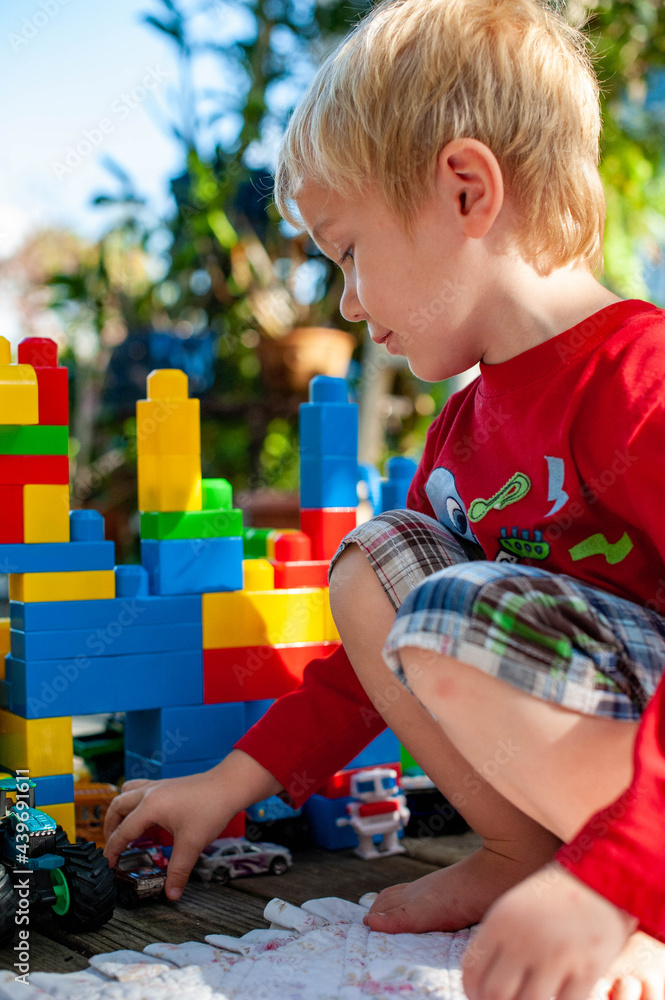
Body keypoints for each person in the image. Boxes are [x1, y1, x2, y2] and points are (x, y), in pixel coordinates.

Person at [105, 0, 665, 996]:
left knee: (449, 605)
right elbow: (361, 674)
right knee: (378, 564)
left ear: (463, 191)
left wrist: (622, 872)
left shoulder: (635, 383)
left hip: (646, 804)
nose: (349, 302)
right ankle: (529, 853)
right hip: (599, 769)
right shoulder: (459, 433)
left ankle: (619, 888)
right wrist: (226, 787)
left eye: (349, 251)